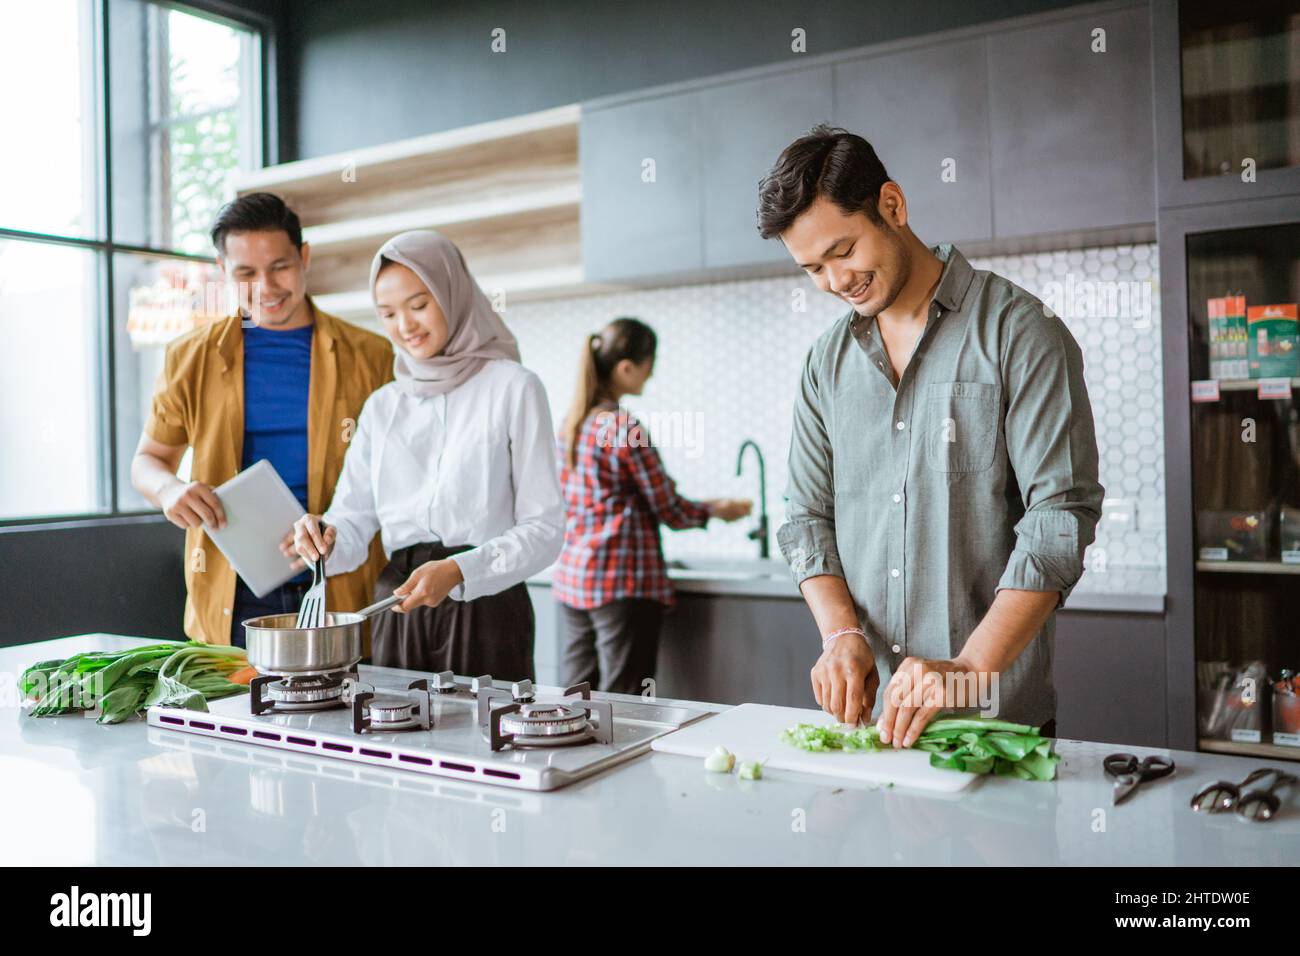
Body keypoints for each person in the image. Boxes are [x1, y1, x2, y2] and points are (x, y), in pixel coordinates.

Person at [757, 125, 1104, 744]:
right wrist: (840, 635)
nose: (836, 282)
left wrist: (970, 670)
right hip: (871, 725)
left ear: (892, 206)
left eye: (843, 251)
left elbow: (1060, 518)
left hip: (995, 726)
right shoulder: (825, 363)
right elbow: (806, 518)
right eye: (813, 268)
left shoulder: (1019, 332)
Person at [293, 230, 563, 679]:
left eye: (419, 305)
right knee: (394, 739)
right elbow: (355, 521)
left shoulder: (514, 387)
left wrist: (460, 569)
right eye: (388, 314)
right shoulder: (383, 406)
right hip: (398, 607)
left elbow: (546, 528)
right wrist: (324, 537)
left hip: (487, 608)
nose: (405, 325)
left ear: (453, 292)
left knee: (490, 743)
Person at [131, 192, 394, 646]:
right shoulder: (189, 358)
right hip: (230, 588)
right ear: (223, 272)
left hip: (336, 582)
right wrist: (169, 489)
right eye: (246, 274)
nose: (266, 288)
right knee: (232, 714)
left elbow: (397, 478)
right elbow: (148, 461)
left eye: (280, 267)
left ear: (304, 257)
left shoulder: (371, 356)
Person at [554, 317, 752, 695]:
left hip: (574, 578)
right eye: (649, 366)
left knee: (574, 696)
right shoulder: (623, 427)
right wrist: (717, 510)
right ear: (626, 367)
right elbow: (670, 510)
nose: (651, 375)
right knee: (626, 700)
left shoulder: (571, 424)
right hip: (621, 584)